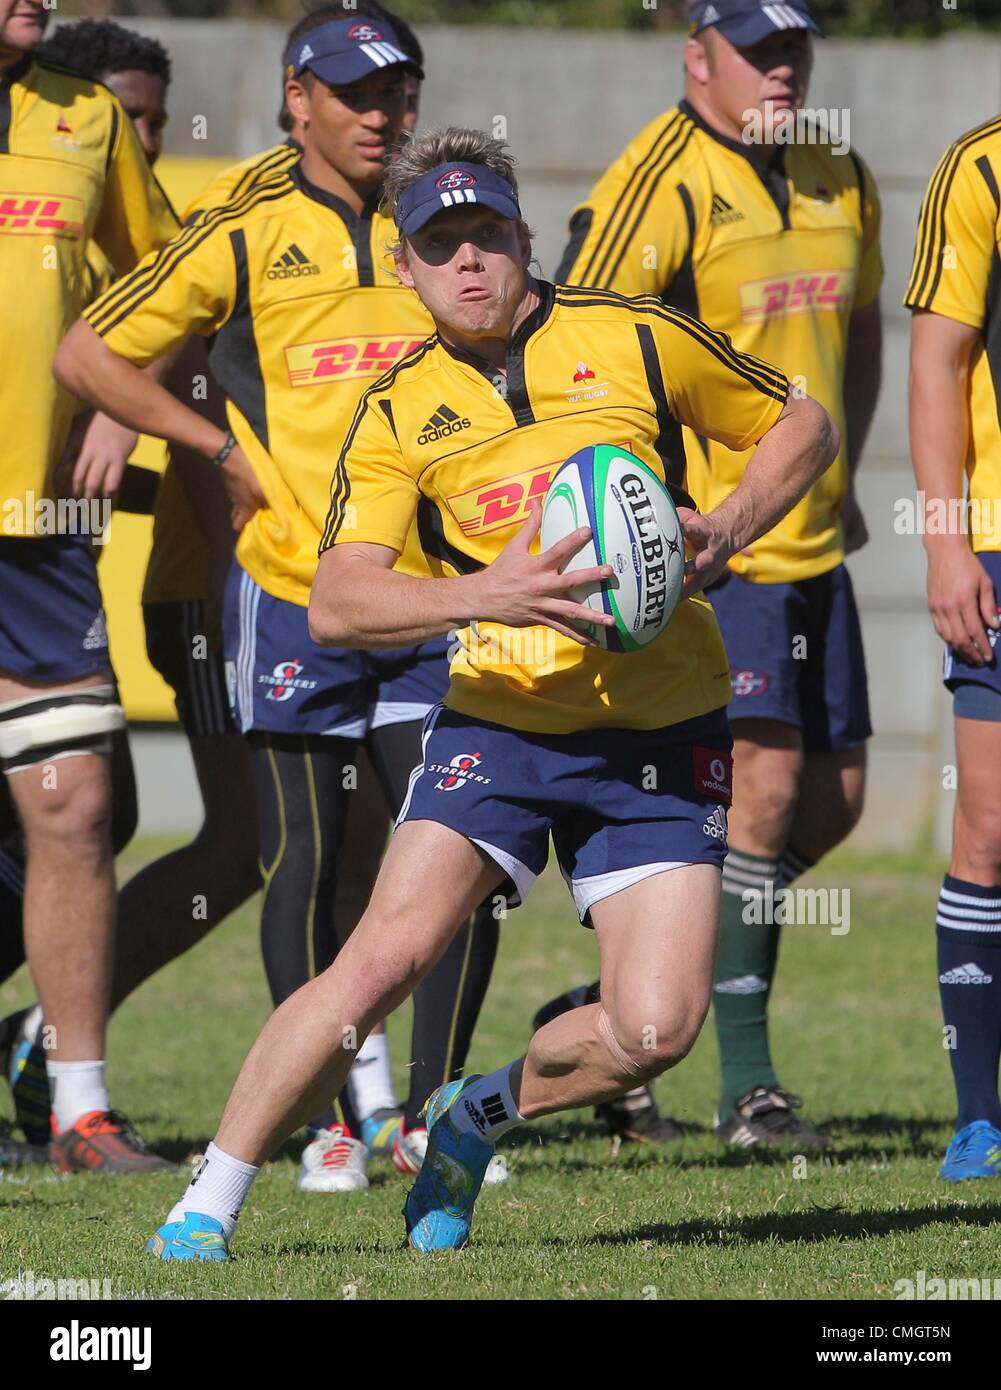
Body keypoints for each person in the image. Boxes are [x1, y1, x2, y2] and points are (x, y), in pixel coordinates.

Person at [140, 127, 837, 1261]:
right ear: (404, 268)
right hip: (501, 728)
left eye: (488, 235)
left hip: (661, 727)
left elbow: (799, 421)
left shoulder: (636, 338)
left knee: (656, 1028)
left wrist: (727, 524)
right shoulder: (396, 409)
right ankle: (204, 1204)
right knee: (376, 963)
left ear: (521, 236)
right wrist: (484, 592)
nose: (468, 261)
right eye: (438, 243)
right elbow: (337, 602)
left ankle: (470, 1114)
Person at [54, 13, 501, 1195]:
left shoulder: (446, 222)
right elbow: (92, 352)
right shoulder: (248, 221)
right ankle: (337, 1118)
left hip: (435, 591)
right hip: (291, 590)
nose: (379, 114)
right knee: (296, 850)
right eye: (353, 92)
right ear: (295, 98)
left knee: (456, 843)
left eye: (398, 92)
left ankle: (434, 1115)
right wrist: (214, 445)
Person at [553, 0, 883, 1149]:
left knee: (832, 803)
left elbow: (859, 331)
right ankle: (747, 1087)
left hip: (810, 541)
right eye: (756, 49)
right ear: (696, 57)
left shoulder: (838, 167)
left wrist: (836, 472)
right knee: (764, 794)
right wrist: (648, 523)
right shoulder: (656, 181)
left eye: (794, 46)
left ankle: (634, 991)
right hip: (711, 547)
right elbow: (573, 349)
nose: (781, 67)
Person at [0, 0, 178, 1172]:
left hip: (41, 527)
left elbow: (174, 283)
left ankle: (77, 1108)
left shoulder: (87, 117)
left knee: (74, 805)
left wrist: (124, 399)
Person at [906, 113, 1001, 1180]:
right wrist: (945, 544)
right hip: (995, 544)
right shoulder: (977, 165)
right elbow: (937, 358)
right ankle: (978, 1115)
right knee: (986, 825)